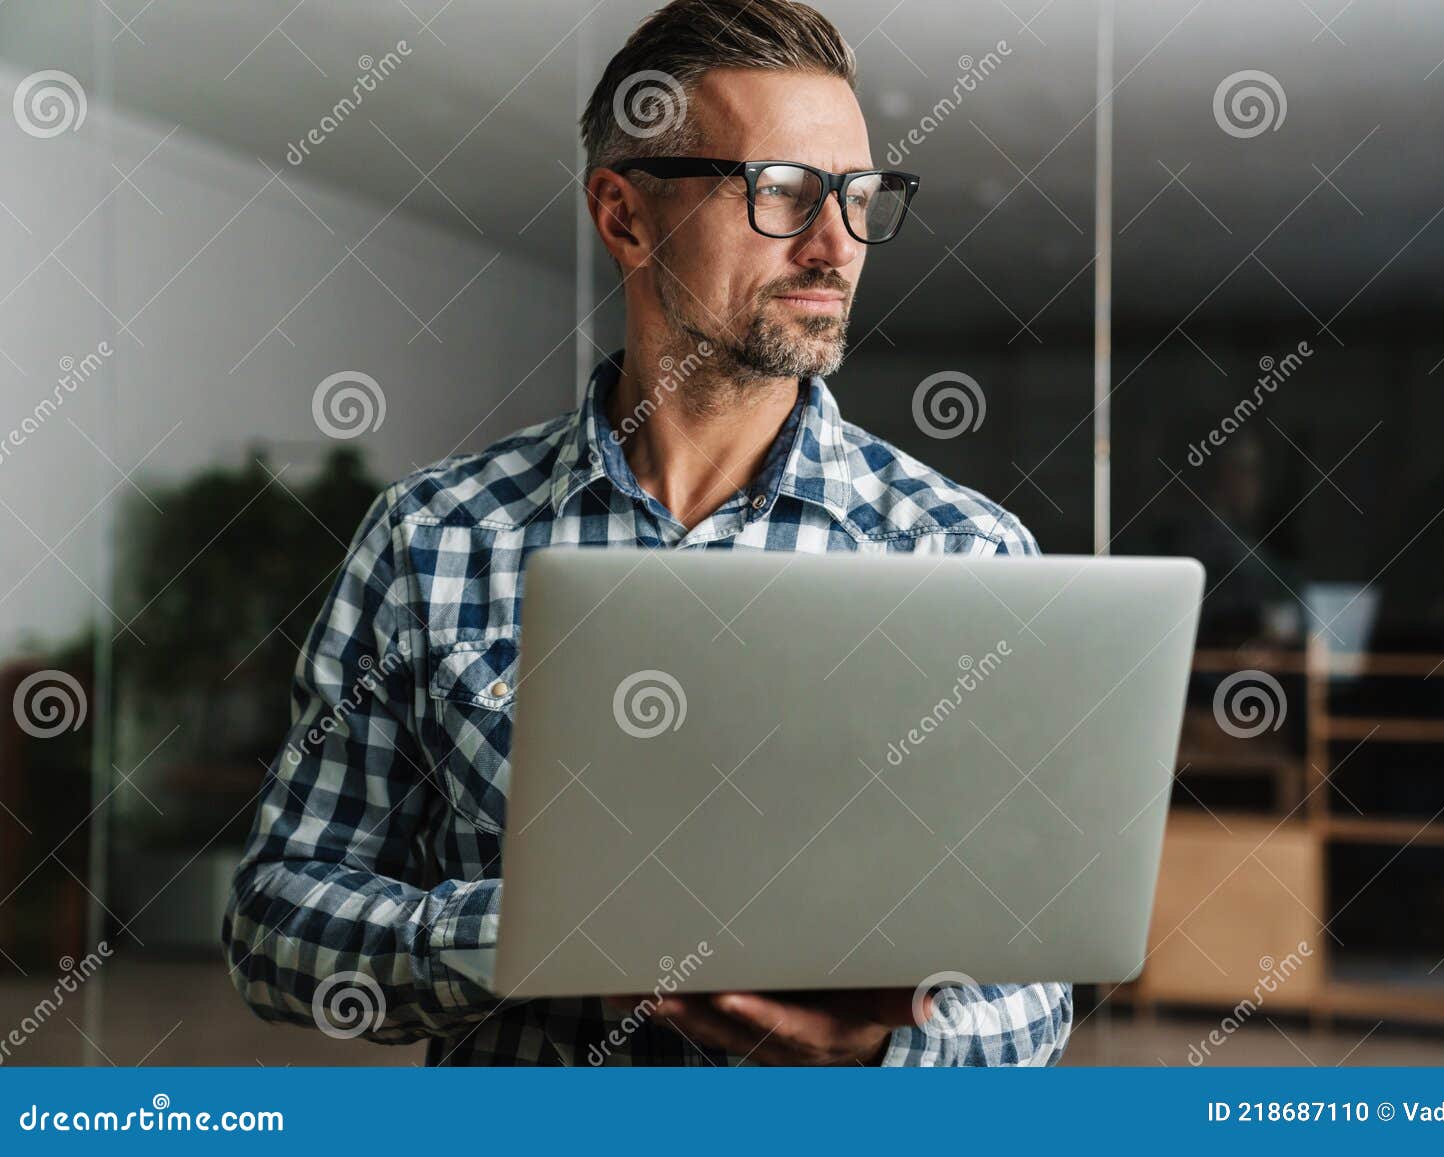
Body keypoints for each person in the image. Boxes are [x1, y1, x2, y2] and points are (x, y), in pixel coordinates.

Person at [222, 0, 1072, 1066]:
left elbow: (1032, 989)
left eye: (861, 198)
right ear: (623, 216)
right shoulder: (430, 536)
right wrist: (541, 933)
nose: (833, 244)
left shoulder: (967, 556)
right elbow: (276, 922)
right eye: (780, 193)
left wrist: (871, 1056)